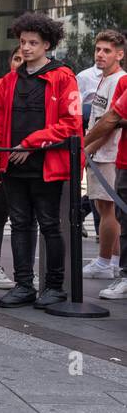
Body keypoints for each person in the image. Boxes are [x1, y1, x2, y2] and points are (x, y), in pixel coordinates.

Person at [0, 13, 80, 308]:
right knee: (20, 224)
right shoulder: (10, 80)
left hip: (47, 166)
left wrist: (30, 143)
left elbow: (72, 124)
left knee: (50, 224)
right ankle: (24, 284)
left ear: (47, 44)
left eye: (33, 43)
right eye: (23, 42)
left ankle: (54, 287)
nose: (26, 48)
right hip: (13, 167)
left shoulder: (63, 76)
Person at [82, 30, 125, 280]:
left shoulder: (119, 79)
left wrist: (86, 148)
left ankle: (105, 262)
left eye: (107, 50)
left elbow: (111, 121)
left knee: (107, 210)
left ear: (120, 54)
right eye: (98, 49)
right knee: (103, 207)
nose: (100, 54)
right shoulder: (105, 78)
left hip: (107, 154)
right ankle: (113, 261)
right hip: (100, 153)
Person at [0, 47, 24, 289]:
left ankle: (25, 272)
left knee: (27, 219)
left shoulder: (40, 85)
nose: (20, 61)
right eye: (16, 57)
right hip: (0, 159)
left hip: (28, 161)